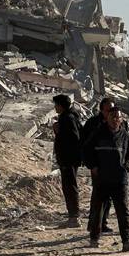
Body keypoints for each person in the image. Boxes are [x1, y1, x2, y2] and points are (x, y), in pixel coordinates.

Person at [82, 103, 129, 252]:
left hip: (119, 179)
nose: (115, 120)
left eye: (118, 117)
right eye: (113, 117)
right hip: (102, 178)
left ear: (121, 119)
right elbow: (86, 150)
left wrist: (126, 167)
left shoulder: (125, 136)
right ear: (107, 118)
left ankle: (127, 240)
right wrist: (92, 166)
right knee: (98, 209)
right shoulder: (98, 133)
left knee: (122, 210)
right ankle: (94, 238)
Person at [80, 97, 115, 234]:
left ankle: (103, 222)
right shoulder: (93, 124)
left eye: (112, 110)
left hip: (112, 167)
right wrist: (92, 165)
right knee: (98, 197)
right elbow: (85, 146)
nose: (111, 113)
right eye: (108, 110)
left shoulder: (116, 123)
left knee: (109, 197)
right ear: (101, 110)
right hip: (98, 167)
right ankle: (94, 224)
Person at [51, 94, 83, 227]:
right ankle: (73, 216)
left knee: (70, 187)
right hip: (68, 159)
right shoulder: (69, 117)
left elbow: (73, 139)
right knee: (69, 186)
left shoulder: (67, 119)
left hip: (68, 159)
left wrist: (59, 131)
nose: (55, 107)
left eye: (56, 105)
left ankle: (74, 217)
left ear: (61, 105)